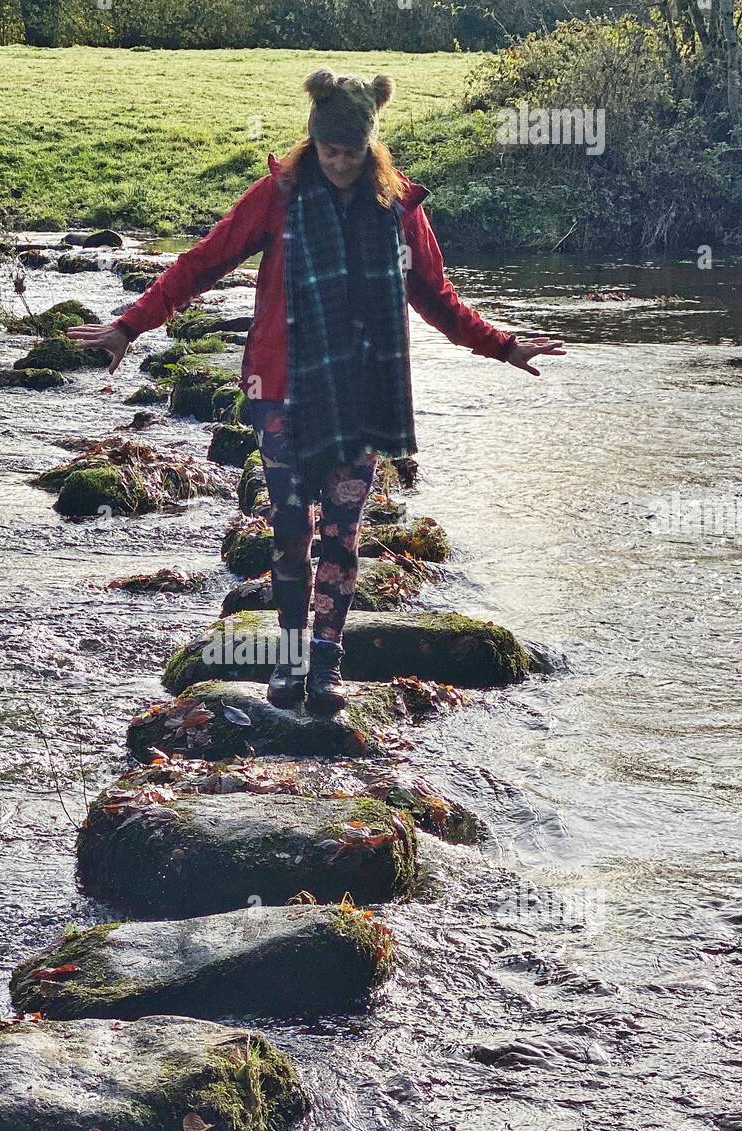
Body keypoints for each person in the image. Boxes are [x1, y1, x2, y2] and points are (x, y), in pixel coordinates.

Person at [70, 68, 564, 714]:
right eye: (329, 150)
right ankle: (290, 656)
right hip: (283, 388)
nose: (338, 162)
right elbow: (204, 261)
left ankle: (326, 666)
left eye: (350, 152)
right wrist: (129, 325)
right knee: (288, 531)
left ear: (369, 149)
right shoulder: (276, 195)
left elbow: (434, 297)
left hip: (361, 390)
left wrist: (502, 345)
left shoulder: (399, 210)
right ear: (312, 143)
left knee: (342, 532)